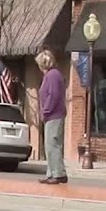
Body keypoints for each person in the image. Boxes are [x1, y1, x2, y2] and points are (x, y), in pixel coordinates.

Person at [35, 50, 67, 185]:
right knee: (50, 145)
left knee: (52, 144)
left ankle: (58, 174)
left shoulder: (52, 75)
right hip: (53, 115)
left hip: (53, 115)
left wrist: (45, 111)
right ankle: (52, 173)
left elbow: (53, 95)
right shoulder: (52, 75)